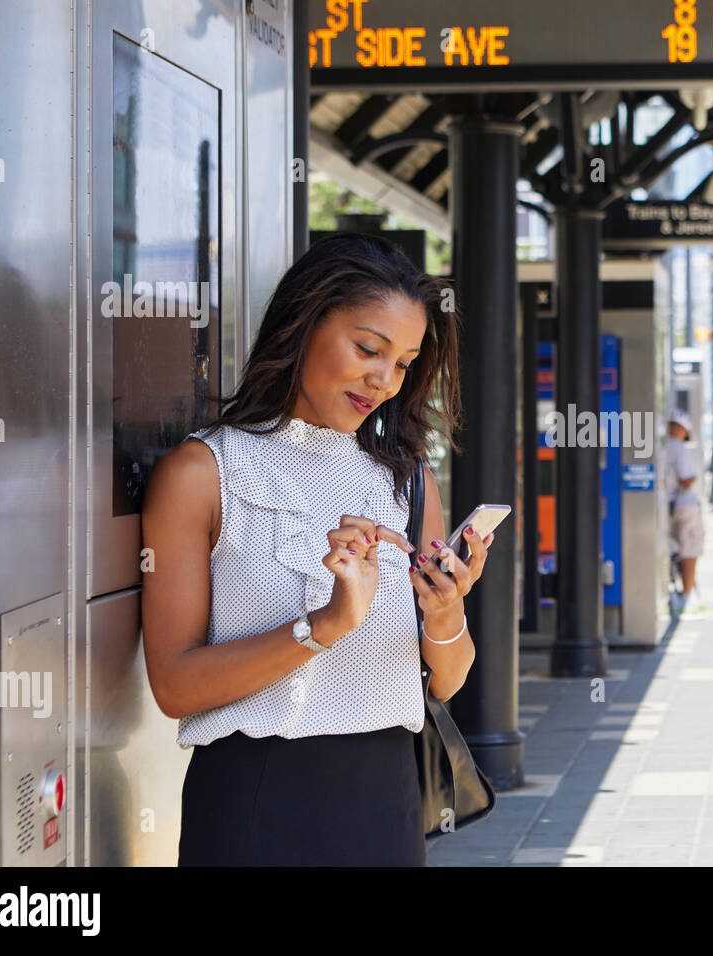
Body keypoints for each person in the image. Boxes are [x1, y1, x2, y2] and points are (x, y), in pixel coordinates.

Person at [141, 233, 496, 866]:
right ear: (303, 323)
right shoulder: (203, 473)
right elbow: (174, 684)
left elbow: (445, 679)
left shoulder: (407, 483)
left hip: (385, 803)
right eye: (369, 349)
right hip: (253, 799)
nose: (385, 380)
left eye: (406, 363)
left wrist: (445, 612)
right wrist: (325, 626)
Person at [665, 408, 705, 615]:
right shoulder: (679, 448)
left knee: (674, 548)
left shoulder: (660, 447)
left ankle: (682, 590)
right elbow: (687, 478)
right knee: (690, 548)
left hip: (667, 504)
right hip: (684, 503)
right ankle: (688, 594)